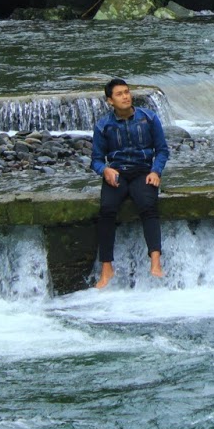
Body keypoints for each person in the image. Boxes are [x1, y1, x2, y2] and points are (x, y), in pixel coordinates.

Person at [90, 77, 169, 288]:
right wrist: (105, 170)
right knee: (107, 210)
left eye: (127, 92)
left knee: (148, 205)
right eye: (119, 94)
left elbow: (162, 150)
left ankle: (155, 262)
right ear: (110, 101)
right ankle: (107, 268)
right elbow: (96, 160)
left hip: (143, 172)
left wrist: (156, 171)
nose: (125, 97)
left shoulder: (149, 118)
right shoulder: (103, 126)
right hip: (118, 173)